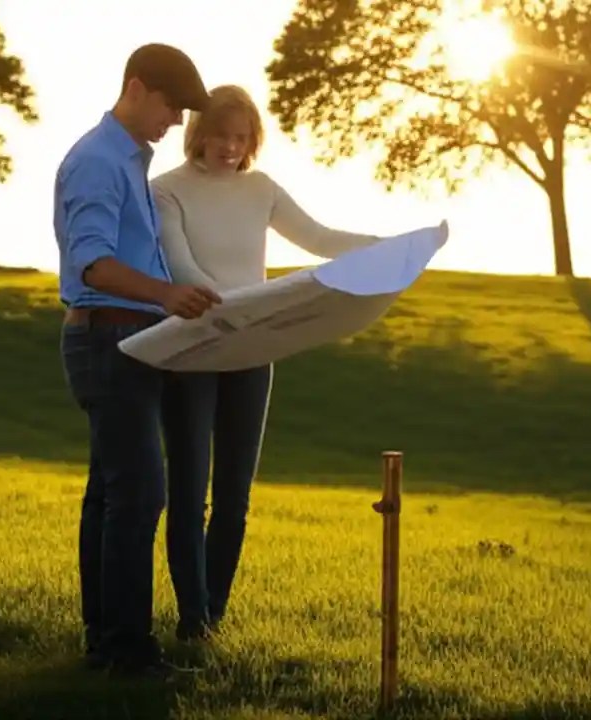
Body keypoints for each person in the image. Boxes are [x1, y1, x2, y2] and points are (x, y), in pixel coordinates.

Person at [150, 84, 382, 641]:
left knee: (235, 493)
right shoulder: (166, 191)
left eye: (240, 137)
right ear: (197, 135)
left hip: (253, 353)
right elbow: (183, 268)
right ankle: (189, 617)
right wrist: (224, 309)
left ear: (252, 140)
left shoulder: (262, 190)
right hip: (193, 349)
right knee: (189, 491)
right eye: (219, 135)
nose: (229, 147)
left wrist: (385, 245)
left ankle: (212, 614)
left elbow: (321, 239)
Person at [53, 43, 222, 677]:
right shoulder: (99, 162)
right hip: (109, 340)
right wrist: (166, 295)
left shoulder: (128, 164)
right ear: (136, 87)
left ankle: (105, 642)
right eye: (172, 104)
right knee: (140, 494)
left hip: (128, 341)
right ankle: (126, 650)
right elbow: (91, 261)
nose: (177, 120)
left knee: (113, 494)